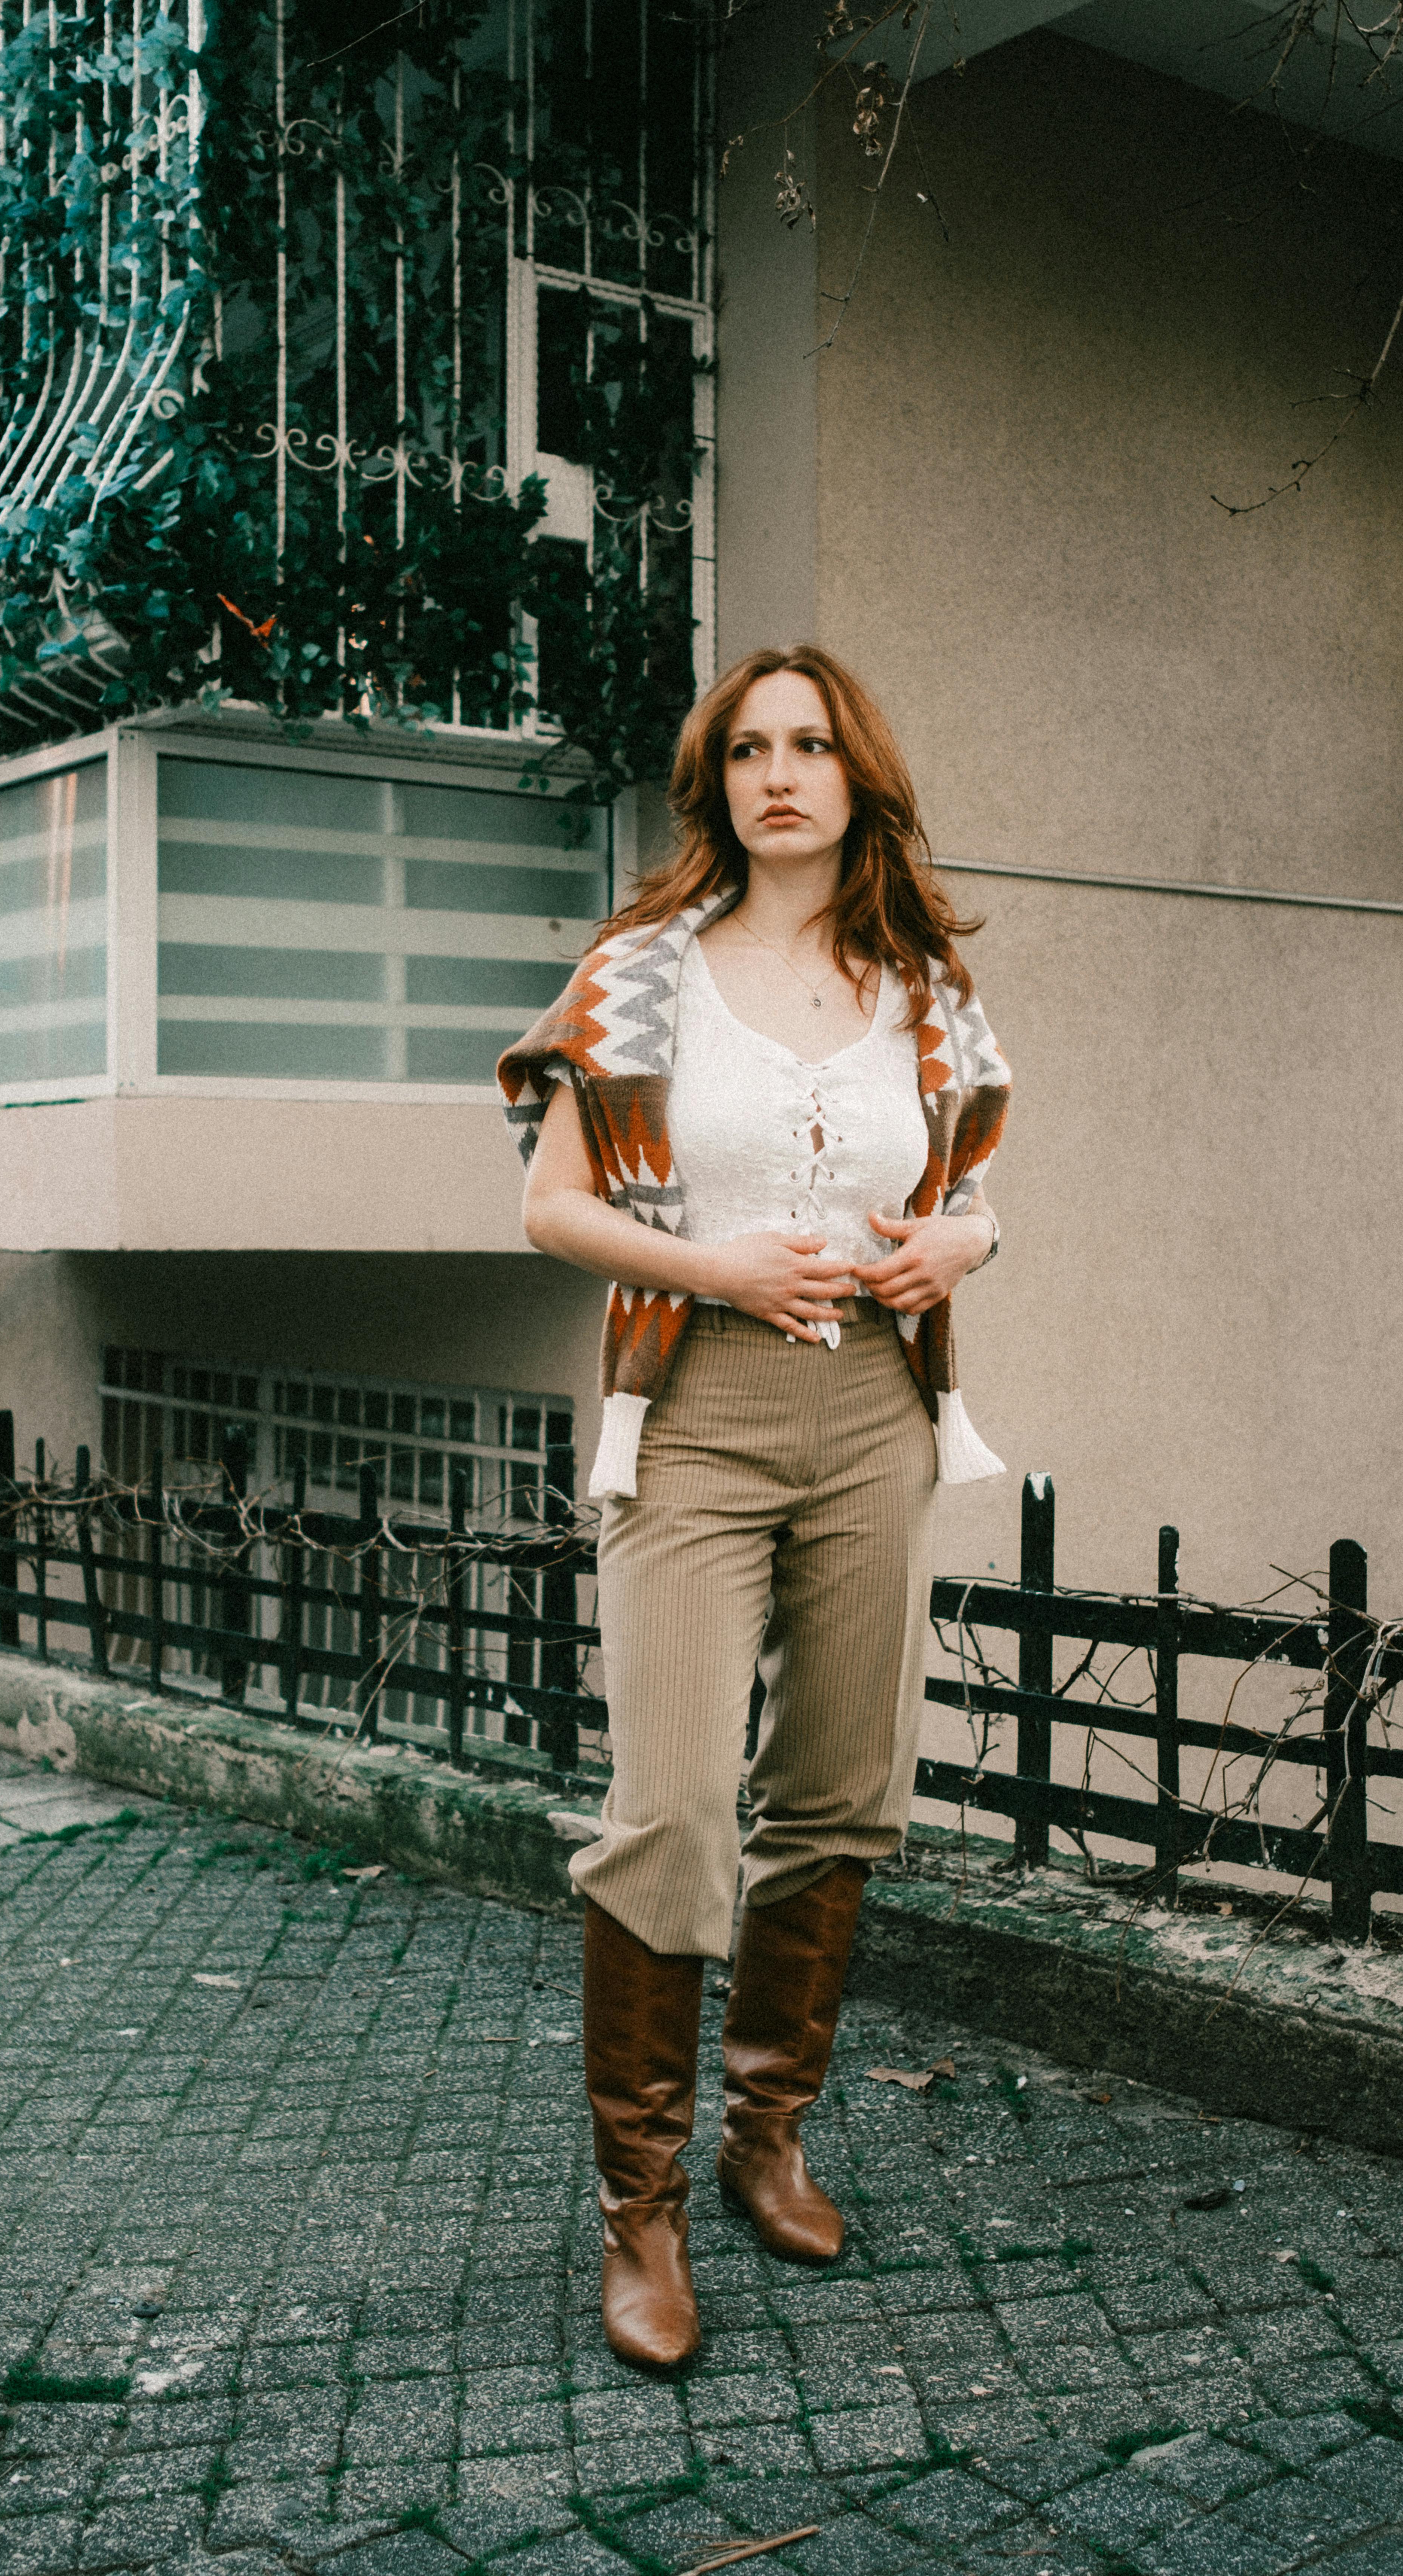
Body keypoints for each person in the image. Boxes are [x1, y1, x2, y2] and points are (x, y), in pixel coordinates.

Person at [497, 645, 1009, 2370]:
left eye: (808, 745)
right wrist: (708, 1263)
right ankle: (633, 2205)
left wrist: (965, 1242)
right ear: (710, 785)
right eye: (745, 750)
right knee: (668, 1811)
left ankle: (762, 2133)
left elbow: (975, 1197)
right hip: (694, 1422)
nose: (777, 773)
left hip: (872, 1412)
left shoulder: (923, 984)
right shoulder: (637, 976)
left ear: (856, 774)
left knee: (840, 1792)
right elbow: (552, 1208)